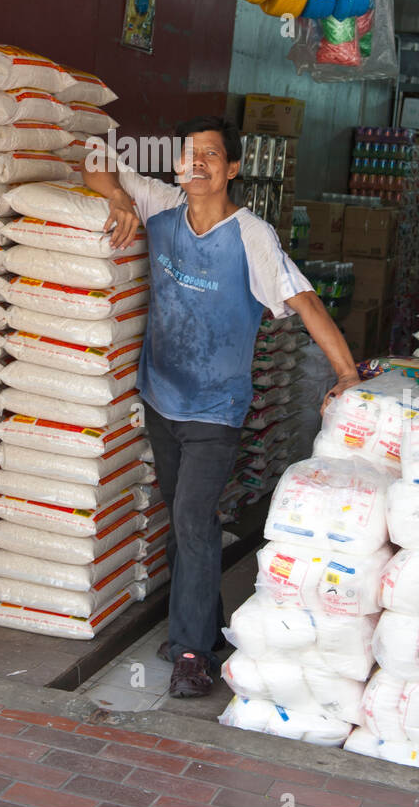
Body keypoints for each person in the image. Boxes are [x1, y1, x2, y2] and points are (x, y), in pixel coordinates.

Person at [82, 115, 360, 699]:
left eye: (212, 155)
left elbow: (303, 300)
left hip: (216, 409)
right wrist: (117, 200)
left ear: (233, 168)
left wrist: (346, 372)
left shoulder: (250, 236)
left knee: (192, 520)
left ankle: (190, 652)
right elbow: (91, 158)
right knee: (185, 520)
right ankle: (205, 627)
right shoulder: (158, 204)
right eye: (190, 154)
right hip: (160, 396)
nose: (198, 163)